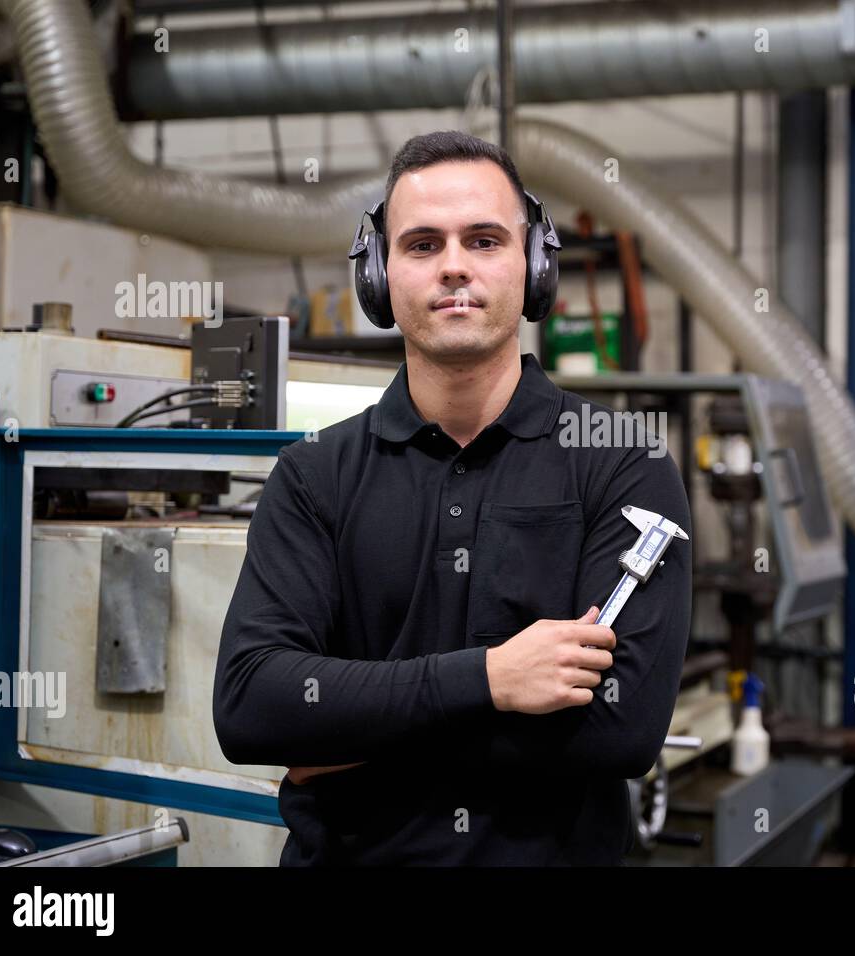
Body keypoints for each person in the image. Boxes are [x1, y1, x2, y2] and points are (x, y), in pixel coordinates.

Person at [212, 130, 692, 865]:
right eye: (423, 244)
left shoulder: (621, 461)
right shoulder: (315, 473)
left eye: (486, 240)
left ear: (533, 266)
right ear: (379, 274)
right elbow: (251, 708)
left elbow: (620, 732)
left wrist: (345, 733)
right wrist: (494, 679)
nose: (455, 267)